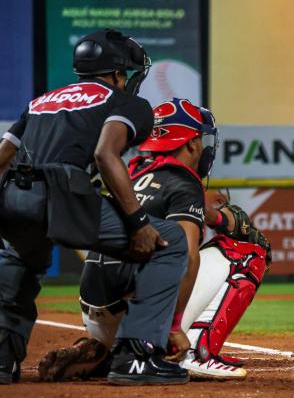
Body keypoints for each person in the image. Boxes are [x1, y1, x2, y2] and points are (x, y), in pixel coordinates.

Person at [0, 29, 190, 385]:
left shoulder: (40, 102)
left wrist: (26, 204)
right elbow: (105, 156)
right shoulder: (126, 103)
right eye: (126, 73)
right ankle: (136, 356)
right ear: (118, 72)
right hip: (66, 192)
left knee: (21, 258)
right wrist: (138, 223)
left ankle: (0, 358)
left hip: (13, 192)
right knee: (170, 241)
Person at [36, 99, 271, 382]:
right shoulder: (184, 183)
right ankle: (195, 352)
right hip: (142, 315)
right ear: (192, 144)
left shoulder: (130, 173)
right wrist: (173, 328)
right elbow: (188, 256)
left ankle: (109, 349)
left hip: (95, 311)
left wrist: (217, 217)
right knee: (250, 251)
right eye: (201, 139)